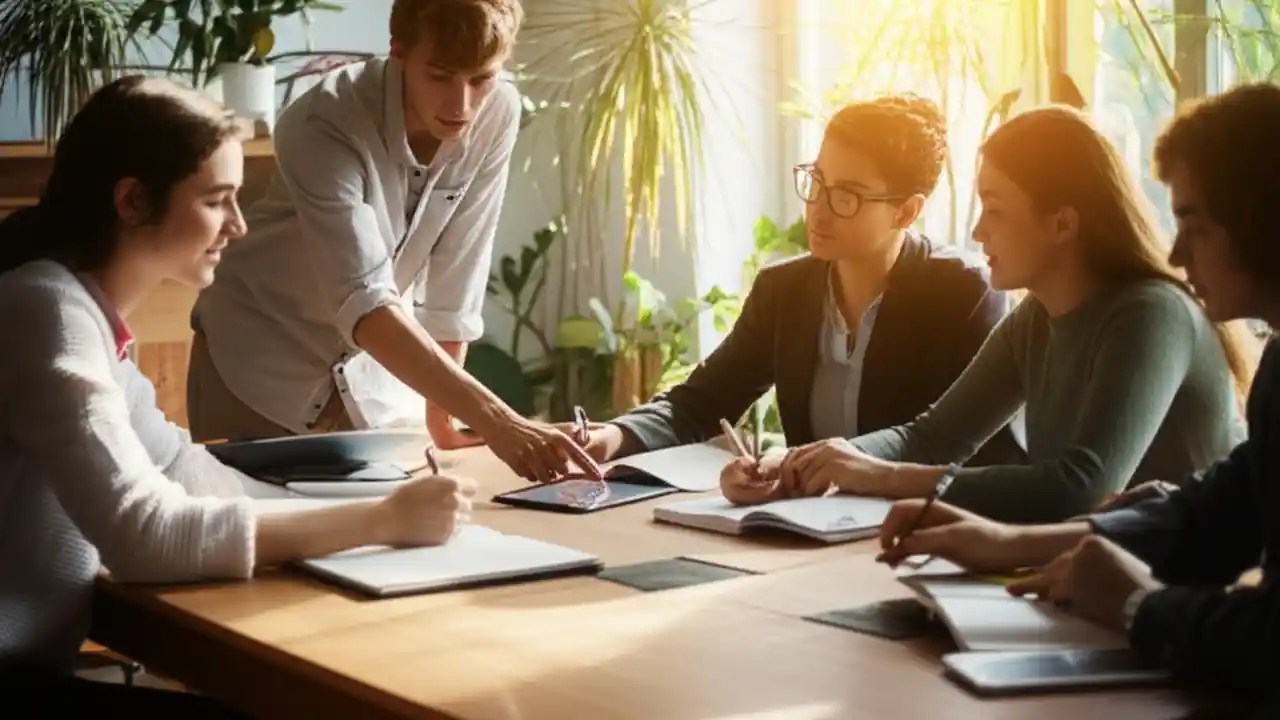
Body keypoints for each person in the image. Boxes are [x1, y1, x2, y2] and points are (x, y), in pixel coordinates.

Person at [0, 77, 474, 715]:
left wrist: (392, 504)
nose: (239, 225)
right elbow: (144, 536)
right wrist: (379, 523)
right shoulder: (46, 313)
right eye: (218, 201)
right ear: (134, 202)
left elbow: (183, 470)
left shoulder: (79, 314)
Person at [875, 83, 1280, 697]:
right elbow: (1217, 512)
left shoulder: (1151, 310)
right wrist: (1011, 542)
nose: (1175, 251)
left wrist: (1135, 605)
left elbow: (1271, 639)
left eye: (1194, 227)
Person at [722, 104, 1254, 523]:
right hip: (1095, 580)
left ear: (1062, 224)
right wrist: (798, 464)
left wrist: (883, 477)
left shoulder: (1149, 314)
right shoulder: (1036, 318)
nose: (978, 232)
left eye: (996, 210)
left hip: (1188, 605)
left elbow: (1081, 486)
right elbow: (930, 437)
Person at [189, 0, 595, 484]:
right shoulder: (322, 121)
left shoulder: (498, 111)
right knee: (266, 542)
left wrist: (442, 416)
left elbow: (457, 277)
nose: (461, 104)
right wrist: (498, 418)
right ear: (397, 51)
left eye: (481, 78)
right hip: (259, 363)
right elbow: (362, 298)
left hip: (376, 376)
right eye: (440, 75)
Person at [570, 96, 1022, 469]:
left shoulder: (963, 295)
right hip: (809, 524)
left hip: (923, 531)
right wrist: (615, 434)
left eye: (846, 196)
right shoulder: (785, 291)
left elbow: (959, 448)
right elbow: (702, 403)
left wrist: (789, 465)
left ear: (905, 212)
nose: (818, 210)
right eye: (817, 181)